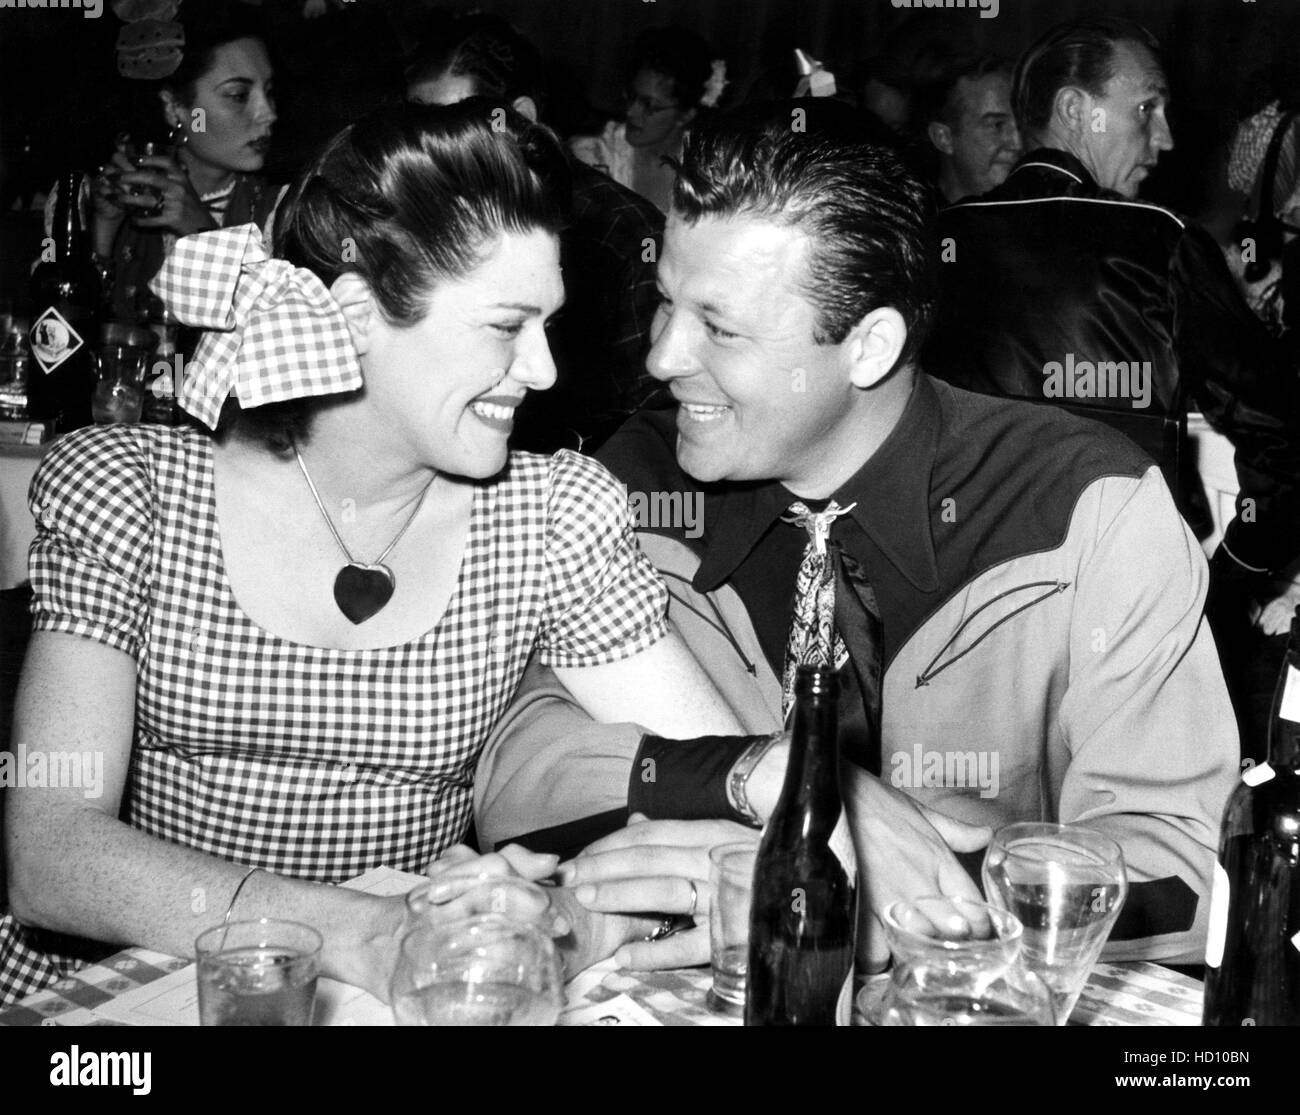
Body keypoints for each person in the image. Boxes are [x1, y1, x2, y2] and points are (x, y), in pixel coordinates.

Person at [0, 101, 744, 1007]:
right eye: (506, 326)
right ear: (353, 316)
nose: (545, 370)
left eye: (546, 325)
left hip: (387, 996)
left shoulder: (550, 513)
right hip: (133, 990)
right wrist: (364, 928)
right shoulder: (133, 488)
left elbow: (720, 787)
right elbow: (50, 852)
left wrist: (561, 908)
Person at [475, 99, 1239, 971]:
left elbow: (1187, 870)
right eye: (665, 304)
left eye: (719, 328)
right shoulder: (630, 489)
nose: (661, 357)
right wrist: (757, 782)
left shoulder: (1086, 505)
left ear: (870, 347)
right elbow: (517, 771)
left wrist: (892, 886)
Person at [922, 17, 1300, 762]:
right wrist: (1232, 577)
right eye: (1145, 110)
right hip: (1123, 620)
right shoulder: (1155, 239)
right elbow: (1286, 430)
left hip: (950, 622)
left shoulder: (934, 240)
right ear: (1073, 111)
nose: (1163, 140)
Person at [405, 12, 664, 452]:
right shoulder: (411, 217)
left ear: (519, 117)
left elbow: (652, 423)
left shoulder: (625, 234)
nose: (433, 154)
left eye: (455, 128)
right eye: (419, 130)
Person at [78, 4, 281, 323]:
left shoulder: (284, 214)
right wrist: (104, 232)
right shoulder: (87, 199)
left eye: (269, 92)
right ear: (174, 108)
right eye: (239, 95)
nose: (268, 113)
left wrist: (201, 230)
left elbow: (286, 342)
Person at [569, 26, 727, 214]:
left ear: (686, 115)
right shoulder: (593, 155)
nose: (631, 112)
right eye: (631, 96)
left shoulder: (708, 171)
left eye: (648, 105)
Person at [916, 53, 1022, 204]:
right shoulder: (914, 221)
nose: (1017, 143)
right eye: (997, 125)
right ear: (943, 138)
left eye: (1021, 125)